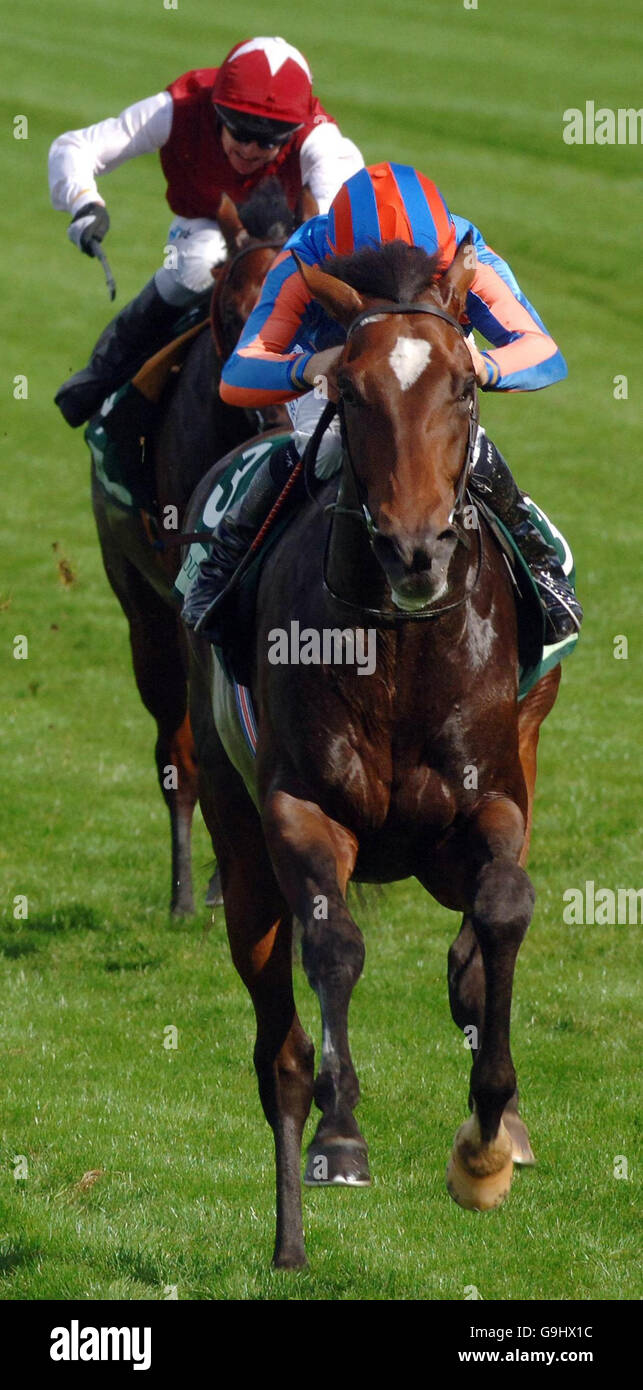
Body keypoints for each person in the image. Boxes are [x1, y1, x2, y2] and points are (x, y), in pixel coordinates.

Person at [182, 162, 582, 645]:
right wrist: (307, 367)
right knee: (324, 447)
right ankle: (223, 564)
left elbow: (544, 351)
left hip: (433, 393)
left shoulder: (465, 253)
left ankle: (541, 568)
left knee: (471, 451)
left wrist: (484, 365)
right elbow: (240, 374)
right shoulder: (305, 258)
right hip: (339, 389)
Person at [49, 36, 363, 427]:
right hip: (205, 224)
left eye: (268, 141)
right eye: (239, 131)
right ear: (216, 111)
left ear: (293, 131)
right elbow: (75, 148)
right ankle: (106, 367)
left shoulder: (323, 141)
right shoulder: (178, 106)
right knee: (195, 263)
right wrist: (84, 203)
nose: (249, 149)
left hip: (286, 240)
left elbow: (338, 211)